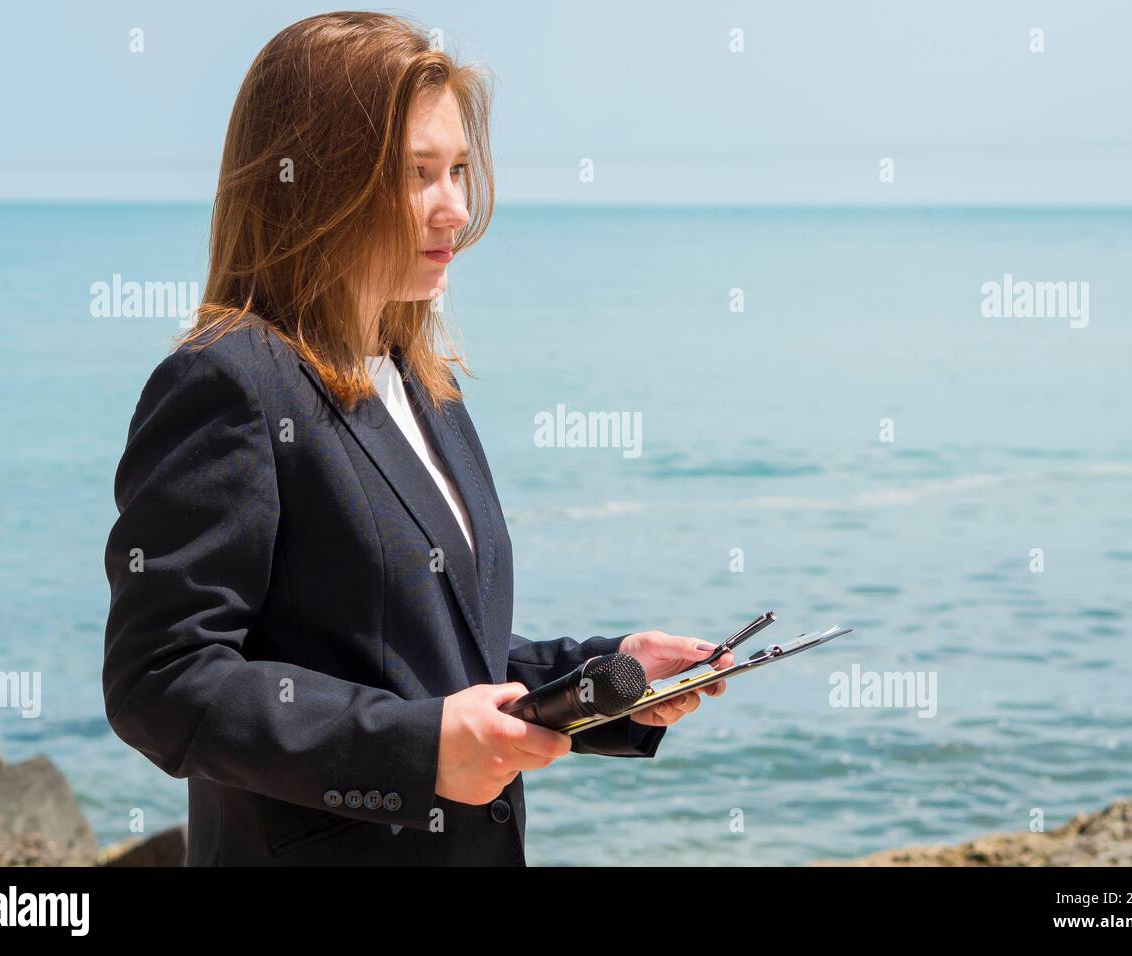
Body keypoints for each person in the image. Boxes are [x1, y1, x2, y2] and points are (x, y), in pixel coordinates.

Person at [100, 11, 731, 866]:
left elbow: (424, 651)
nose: (456, 209)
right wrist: (415, 749)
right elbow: (160, 683)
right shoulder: (228, 380)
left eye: (461, 170)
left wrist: (602, 676)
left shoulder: (423, 382)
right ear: (314, 182)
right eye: (418, 174)